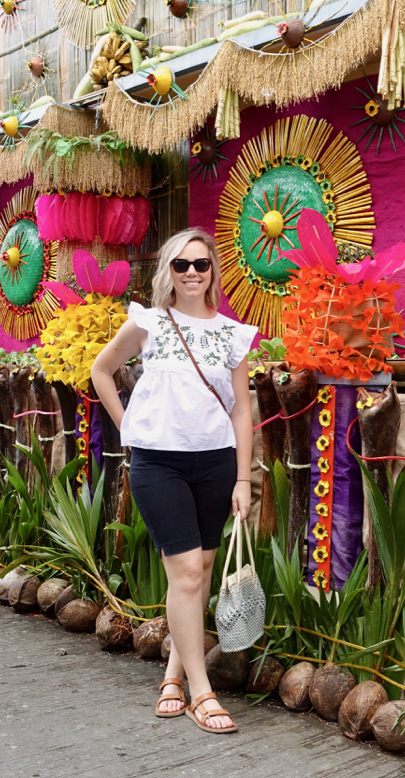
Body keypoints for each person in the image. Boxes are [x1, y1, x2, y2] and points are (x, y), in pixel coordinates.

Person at [92, 228, 256, 734]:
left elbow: (243, 410)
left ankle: (172, 674)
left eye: (201, 265)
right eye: (181, 264)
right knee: (186, 573)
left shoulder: (232, 333)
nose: (191, 273)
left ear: (213, 272)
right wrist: (131, 431)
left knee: (201, 570)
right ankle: (202, 694)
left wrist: (244, 478)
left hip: (215, 463)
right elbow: (102, 371)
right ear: (169, 269)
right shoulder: (150, 322)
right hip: (158, 463)